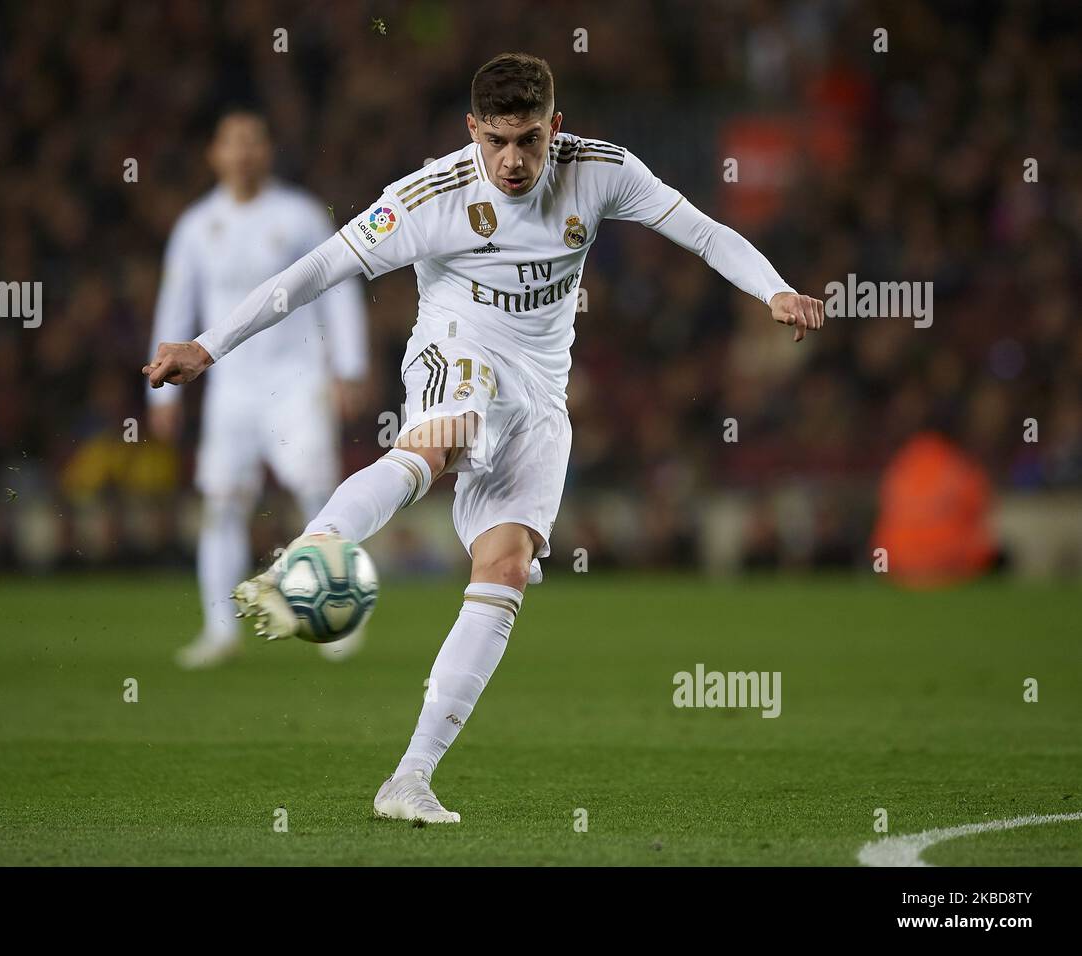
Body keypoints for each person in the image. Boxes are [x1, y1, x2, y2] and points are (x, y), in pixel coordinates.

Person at [144, 55, 824, 820]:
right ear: (472, 131)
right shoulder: (430, 196)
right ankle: (317, 546)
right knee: (438, 442)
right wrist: (209, 343)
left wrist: (774, 287)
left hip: (540, 395)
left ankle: (409, 778)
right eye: (497, 140)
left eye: (529, 140)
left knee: (503, 568)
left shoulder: (601, 171)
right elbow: (320, 268)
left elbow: (704, 232)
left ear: (555, 129)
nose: (513, 160)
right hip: (457, 347)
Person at [148, 110, 369, 668]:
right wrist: (162, 394)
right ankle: (219, 630)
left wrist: (348, 366)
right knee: (222, 502)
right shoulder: (196, 227)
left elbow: (339, 289)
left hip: (299, 380)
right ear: (214, 155)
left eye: (253, 142)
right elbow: (175, 308)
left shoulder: (297, 214)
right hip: (232, 389)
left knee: (316, 493)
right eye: (232, 143)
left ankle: (337, 619)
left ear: (266, 152)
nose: (243, 153)